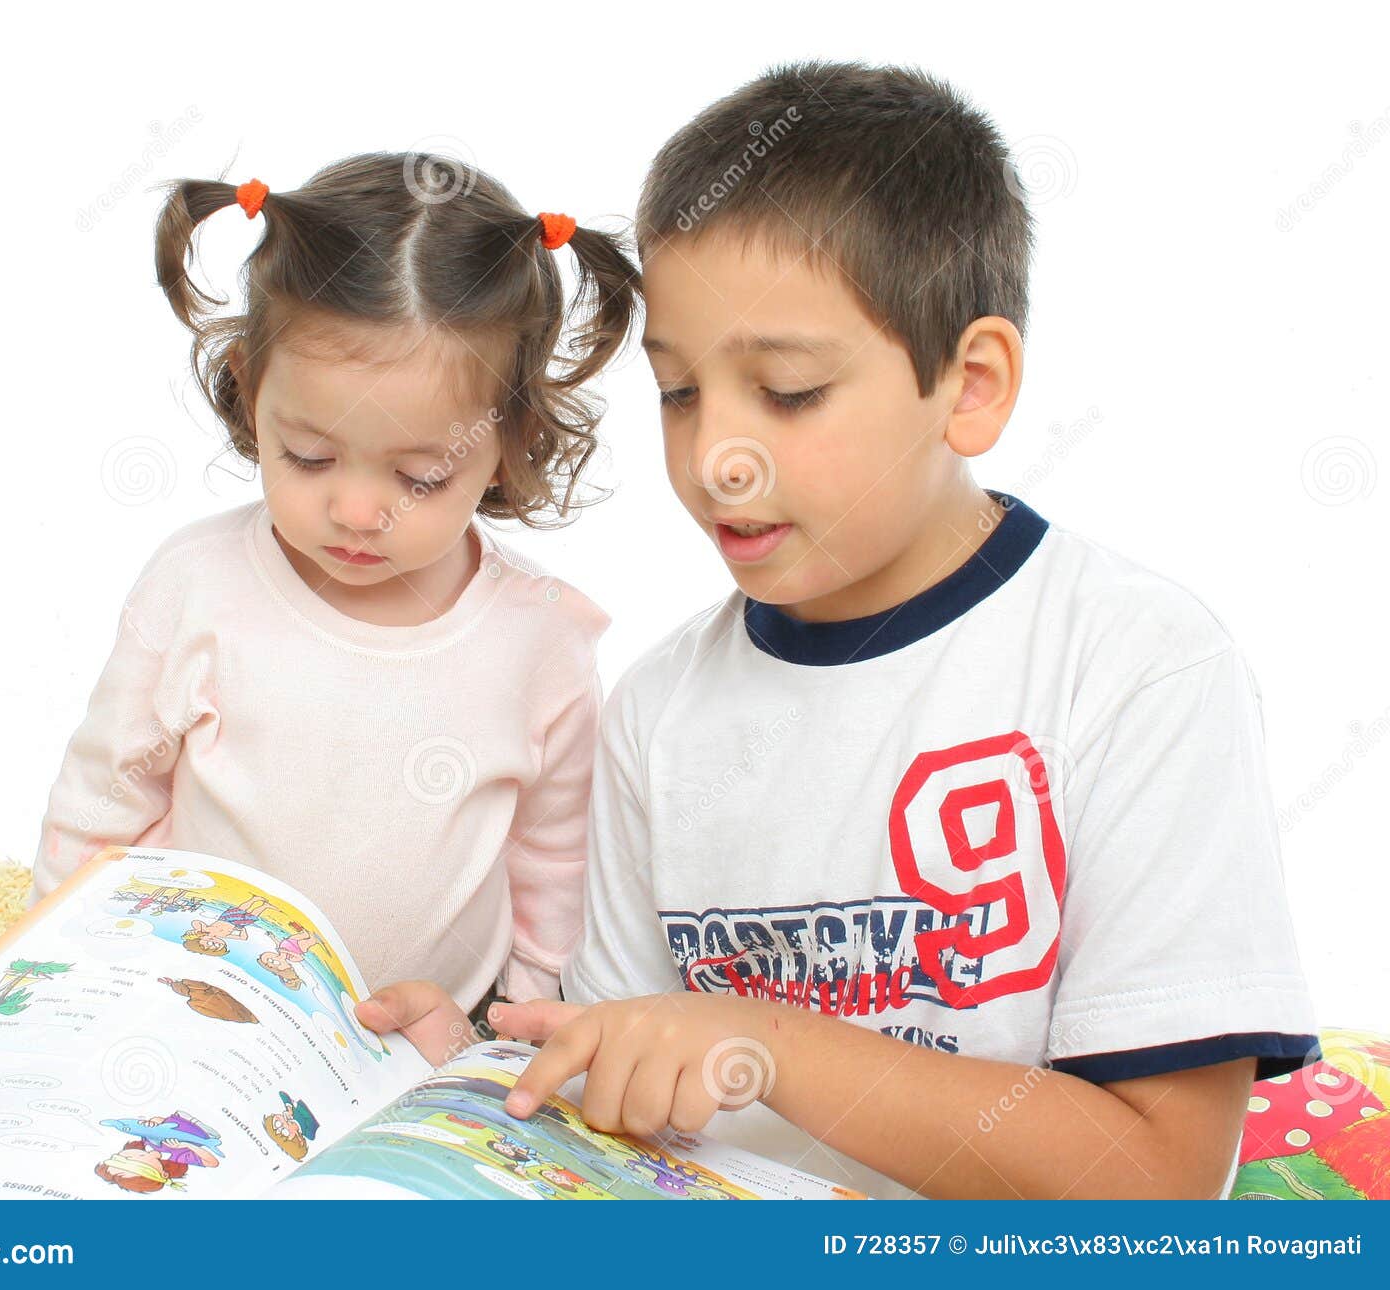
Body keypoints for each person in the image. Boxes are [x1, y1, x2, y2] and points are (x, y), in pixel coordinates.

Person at [360, 61, 1320, 1200]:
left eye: (789, 391)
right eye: (678, 393)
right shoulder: (659, 712)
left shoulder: (1135, 667)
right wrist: (482, 1075)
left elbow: (1159, 1179)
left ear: (970, 385)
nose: (715, 456)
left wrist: (765, 1041)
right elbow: (624, 1091)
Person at [31, 152, 639, 1018]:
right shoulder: (199, 584)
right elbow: (104, 797)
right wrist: (49, 975)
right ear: (249, 391)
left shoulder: (540, 639)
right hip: (183, 1008)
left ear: (512, 434)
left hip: (432, 1040)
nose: (358, 512)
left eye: (421, 476)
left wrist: (522, 1020)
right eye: (310, 456)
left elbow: (554, 860)